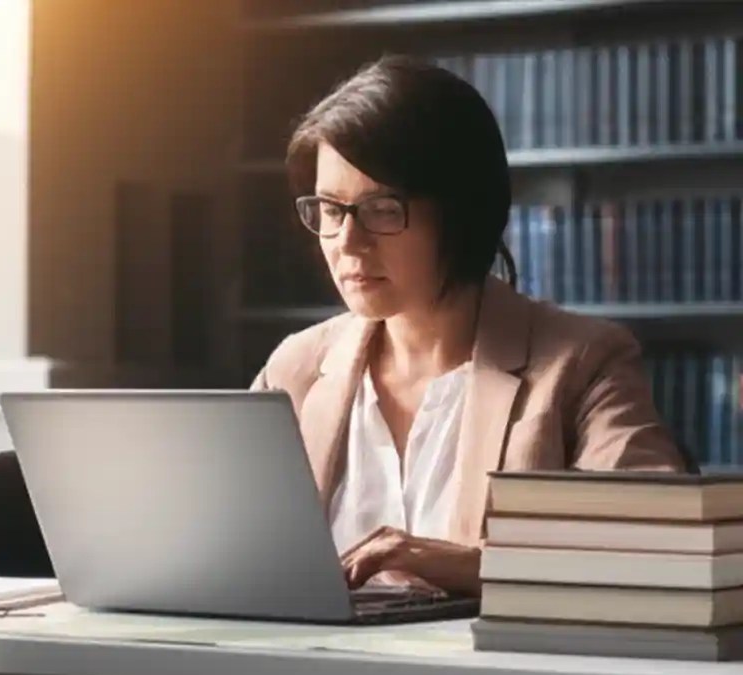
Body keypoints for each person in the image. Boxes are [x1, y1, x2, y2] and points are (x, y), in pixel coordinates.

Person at [249, 55, 685, 598]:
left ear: (459, 211)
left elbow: (658, 547)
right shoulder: (295, 369)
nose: (347, 243)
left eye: (382, 210)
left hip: (494, 656)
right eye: (331, 210)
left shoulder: (581, 365)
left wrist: (471, 567)